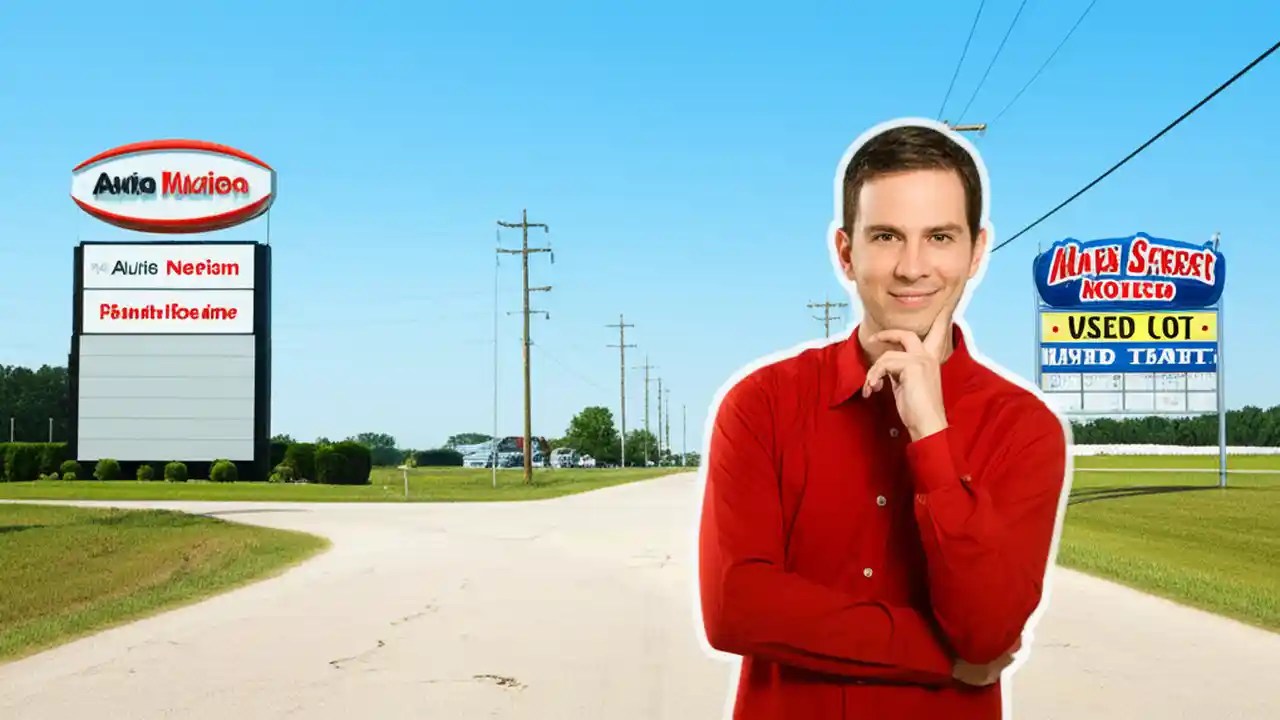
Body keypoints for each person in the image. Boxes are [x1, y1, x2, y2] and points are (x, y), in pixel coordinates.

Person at [696, 120, 1070, 719]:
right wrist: (937, 655)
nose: (913, 267)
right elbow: (733, 607)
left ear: (977, 251)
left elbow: (986, 632)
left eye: (941, 237)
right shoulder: (760, 405)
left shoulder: (1024, 428)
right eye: (888, 236)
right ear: (847, 252)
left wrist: (932, 436)